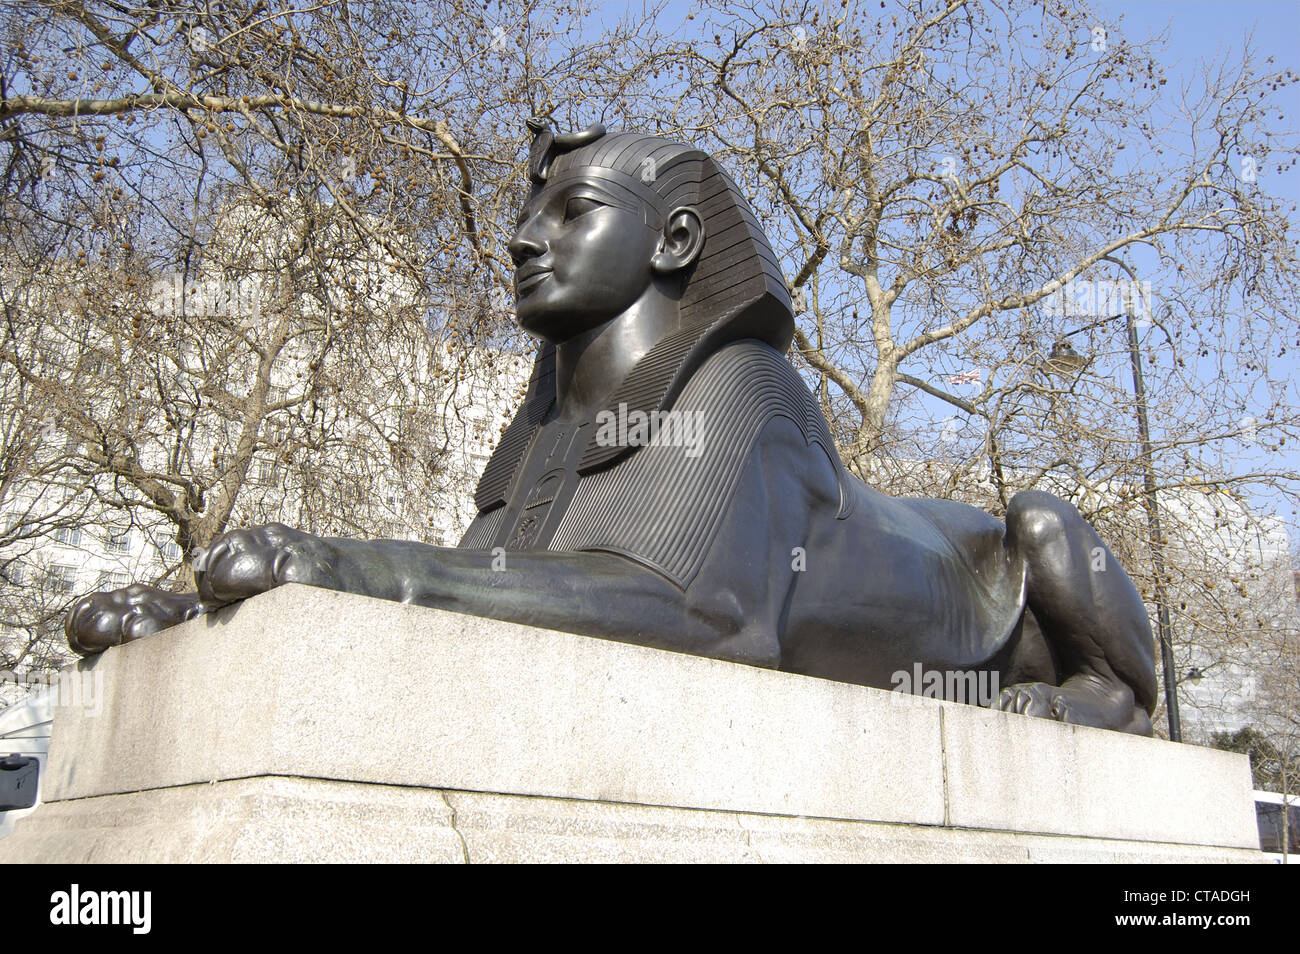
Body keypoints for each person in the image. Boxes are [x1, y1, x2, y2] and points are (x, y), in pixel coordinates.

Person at [66, 120, 1157, 734]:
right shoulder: (550, 418)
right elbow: (484, 586)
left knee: (1043, 522)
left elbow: (708, 618)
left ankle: (1107, 686)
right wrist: (204, 608)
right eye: (526, 215)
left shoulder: (744, 390)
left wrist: (334, 566)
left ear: (676, 241)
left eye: (570, 213)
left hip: (986, 610)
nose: (519, 240)